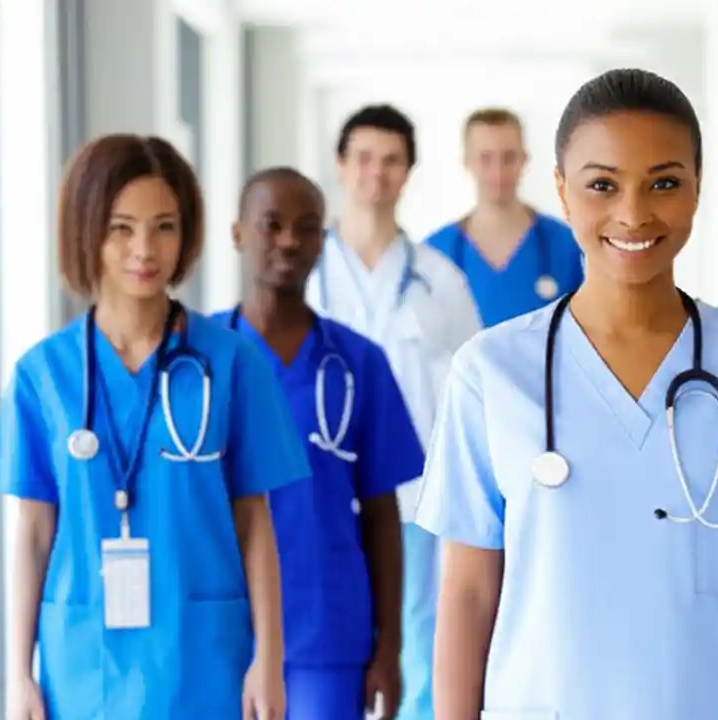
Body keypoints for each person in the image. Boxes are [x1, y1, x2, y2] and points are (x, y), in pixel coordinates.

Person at [415, 68, 718, 720]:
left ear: (698, 188)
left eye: (665, 183)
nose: (633, 213)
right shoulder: (491, 374)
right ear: (562, 193)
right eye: (602, 185)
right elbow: (468, 594)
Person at [0, 134, 309, 720]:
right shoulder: (44, 375)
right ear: (87, 232)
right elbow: (34, 532)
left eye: (164, 226)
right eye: (121, 228)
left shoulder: (230, 364)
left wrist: (269, 658)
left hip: (202, 657)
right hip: (83, 664)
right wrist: (17, 676)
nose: (145, 249)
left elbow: (254, 520)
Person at [219, 166, 426, 719]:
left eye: (306, 227)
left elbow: (382, 515)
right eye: (272, 225)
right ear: (238, 233)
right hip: (221, 630)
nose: (289, 240)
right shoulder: (201, 362)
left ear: (323, 239)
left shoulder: (358, 362)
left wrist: (390, 647)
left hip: (328, 633)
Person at [307, 104, 482, 720]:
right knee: (322, 641)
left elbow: (473, 396)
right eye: (363, 159)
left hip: (414, 497)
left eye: (390, 161)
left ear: (408, 172)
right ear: (340, 165)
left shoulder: (441, 280)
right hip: (318, 494)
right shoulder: (304, 272)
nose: (375, 174)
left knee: (417, 639)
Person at [425, 108, 584, 327]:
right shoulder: (436, 253)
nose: (498, 171)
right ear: (467, 161)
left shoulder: (567, 246)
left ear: (524, 159)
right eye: (485, 158)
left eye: (508, 157)